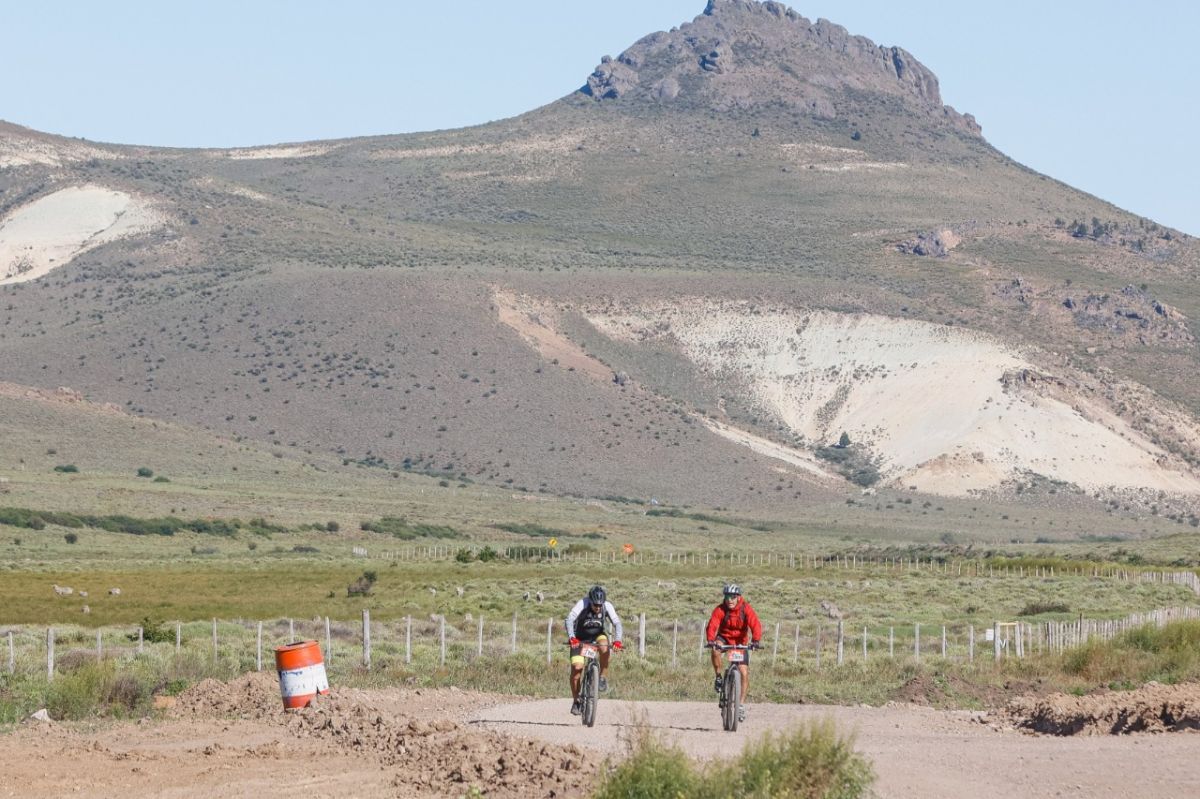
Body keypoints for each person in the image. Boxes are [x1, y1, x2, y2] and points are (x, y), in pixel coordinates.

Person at [705, 583, 762, 723]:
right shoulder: (720, 609)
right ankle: (718, 677)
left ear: (738, 597)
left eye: (732, 597)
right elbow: (712, 624)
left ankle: (740, 704)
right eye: (726, 597)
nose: (729, 600)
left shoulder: (745, 608)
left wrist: (756, 640)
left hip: (740, 641)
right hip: (724, 638)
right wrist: (711, 640)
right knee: (715, 649)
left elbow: (755, 623)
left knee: (743, 672)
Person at [564, 585, 623, 715]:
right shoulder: (582, 604)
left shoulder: (607, 606)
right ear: (590, 601)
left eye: (599, 605)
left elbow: (617, 623)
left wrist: (618, 641)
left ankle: (602, 677)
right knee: (577, 669)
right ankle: (576, 701)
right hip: (579, 639)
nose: (597, 607)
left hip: (597, 636)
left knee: (604, 647)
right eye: (595, 605)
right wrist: (572, 638)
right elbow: (569, 620)